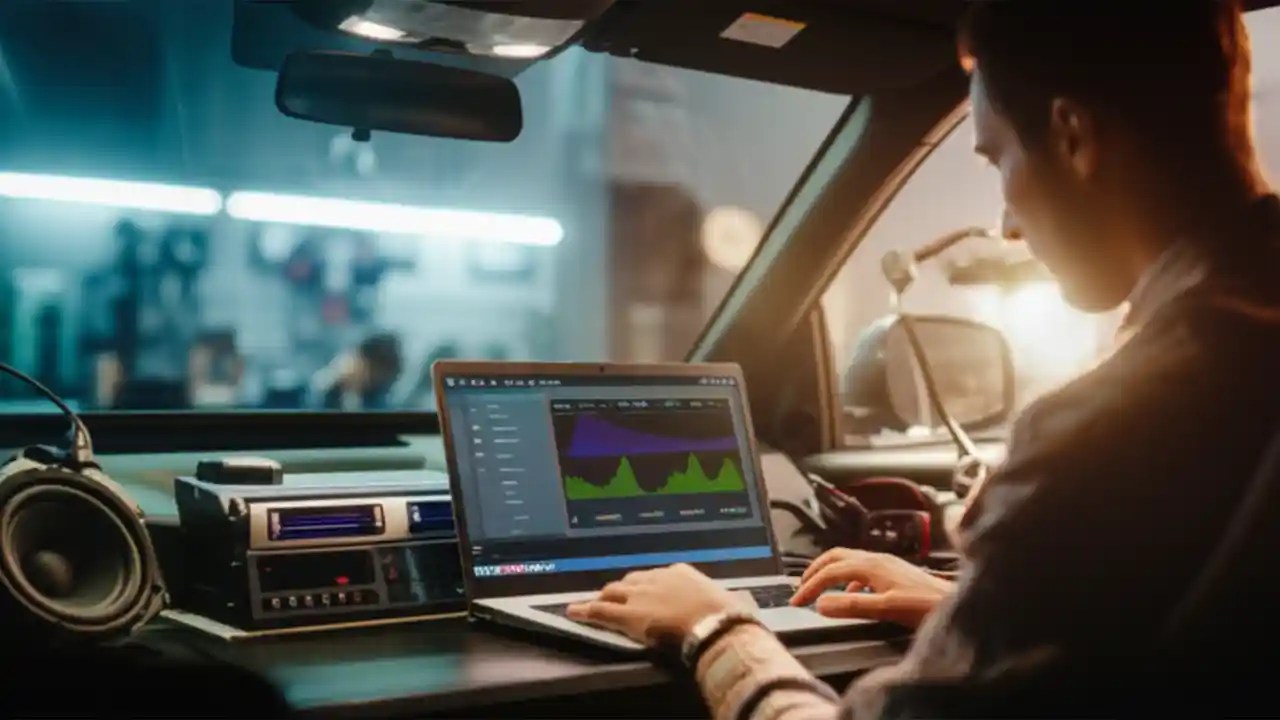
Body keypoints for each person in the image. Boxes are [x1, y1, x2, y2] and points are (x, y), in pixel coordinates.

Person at [567, 2, 1280, 717]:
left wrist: (715, 628)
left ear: (1073, 136)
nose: (1006, 223)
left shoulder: (1100, 433)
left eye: (998, 159)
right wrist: (966, 607)